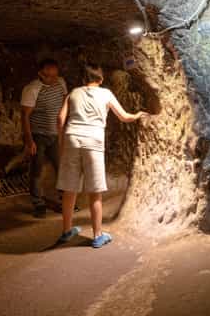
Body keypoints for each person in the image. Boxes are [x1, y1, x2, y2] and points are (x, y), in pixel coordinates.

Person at [55, 64, 148, 248]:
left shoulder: (73, 93)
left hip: (72, 138)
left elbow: (60, 119)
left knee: (69, 189)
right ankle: (97, 235)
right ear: (101, 79)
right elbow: (124, 116)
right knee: (95, 191)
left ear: (83, 79)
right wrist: (138, 114)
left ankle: (66, 231)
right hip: (93, 141)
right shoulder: (106, 93)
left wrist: (62, 141)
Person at [20, 58, 68, 217]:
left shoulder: (60, 83)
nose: (53, 79)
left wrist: (63, 130)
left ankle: (65, 201)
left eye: (55, 75)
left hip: (55, 134)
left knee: (61, 167)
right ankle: (38, 203)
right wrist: (29, 141)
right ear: (40, 74)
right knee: (36, 170)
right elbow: (25, 116)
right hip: (38, 135)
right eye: (49, 76)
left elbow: (64, 104)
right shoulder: (32, 89)